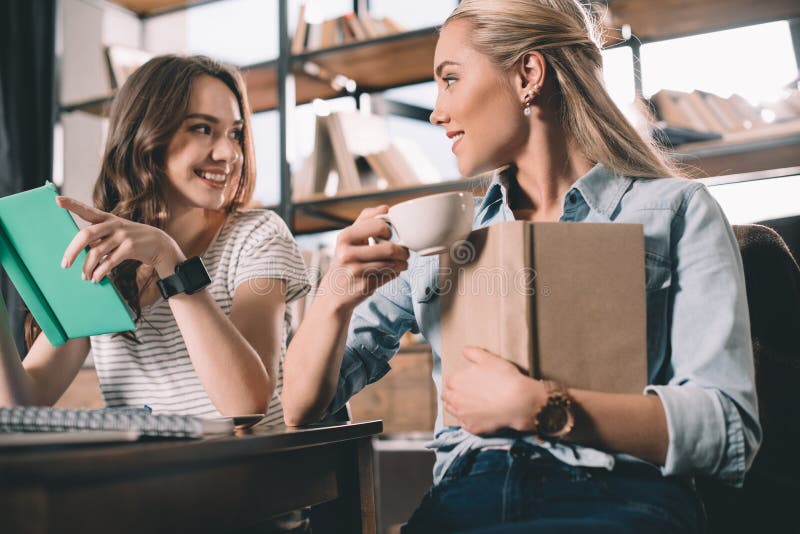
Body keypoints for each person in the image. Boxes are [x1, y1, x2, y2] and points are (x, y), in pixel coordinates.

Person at [282, 0, 761, 532]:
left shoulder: (676, 211)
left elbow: (726, 430)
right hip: (463, 503)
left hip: (618, 500)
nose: (437, 111)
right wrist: (334, 296)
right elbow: (301, 409)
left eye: (450, 79)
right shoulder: (443, 235)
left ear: (528, 75)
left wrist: (541, 407)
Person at [0, 55, 309, 424]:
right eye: (202, 129)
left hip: (244, 473)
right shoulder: (101, 255)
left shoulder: (257, 236)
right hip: (145, 473)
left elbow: (246, 404)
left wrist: (170, 262)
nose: (229, 153)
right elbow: (20, 403)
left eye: (235, 133)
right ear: (146, 136)